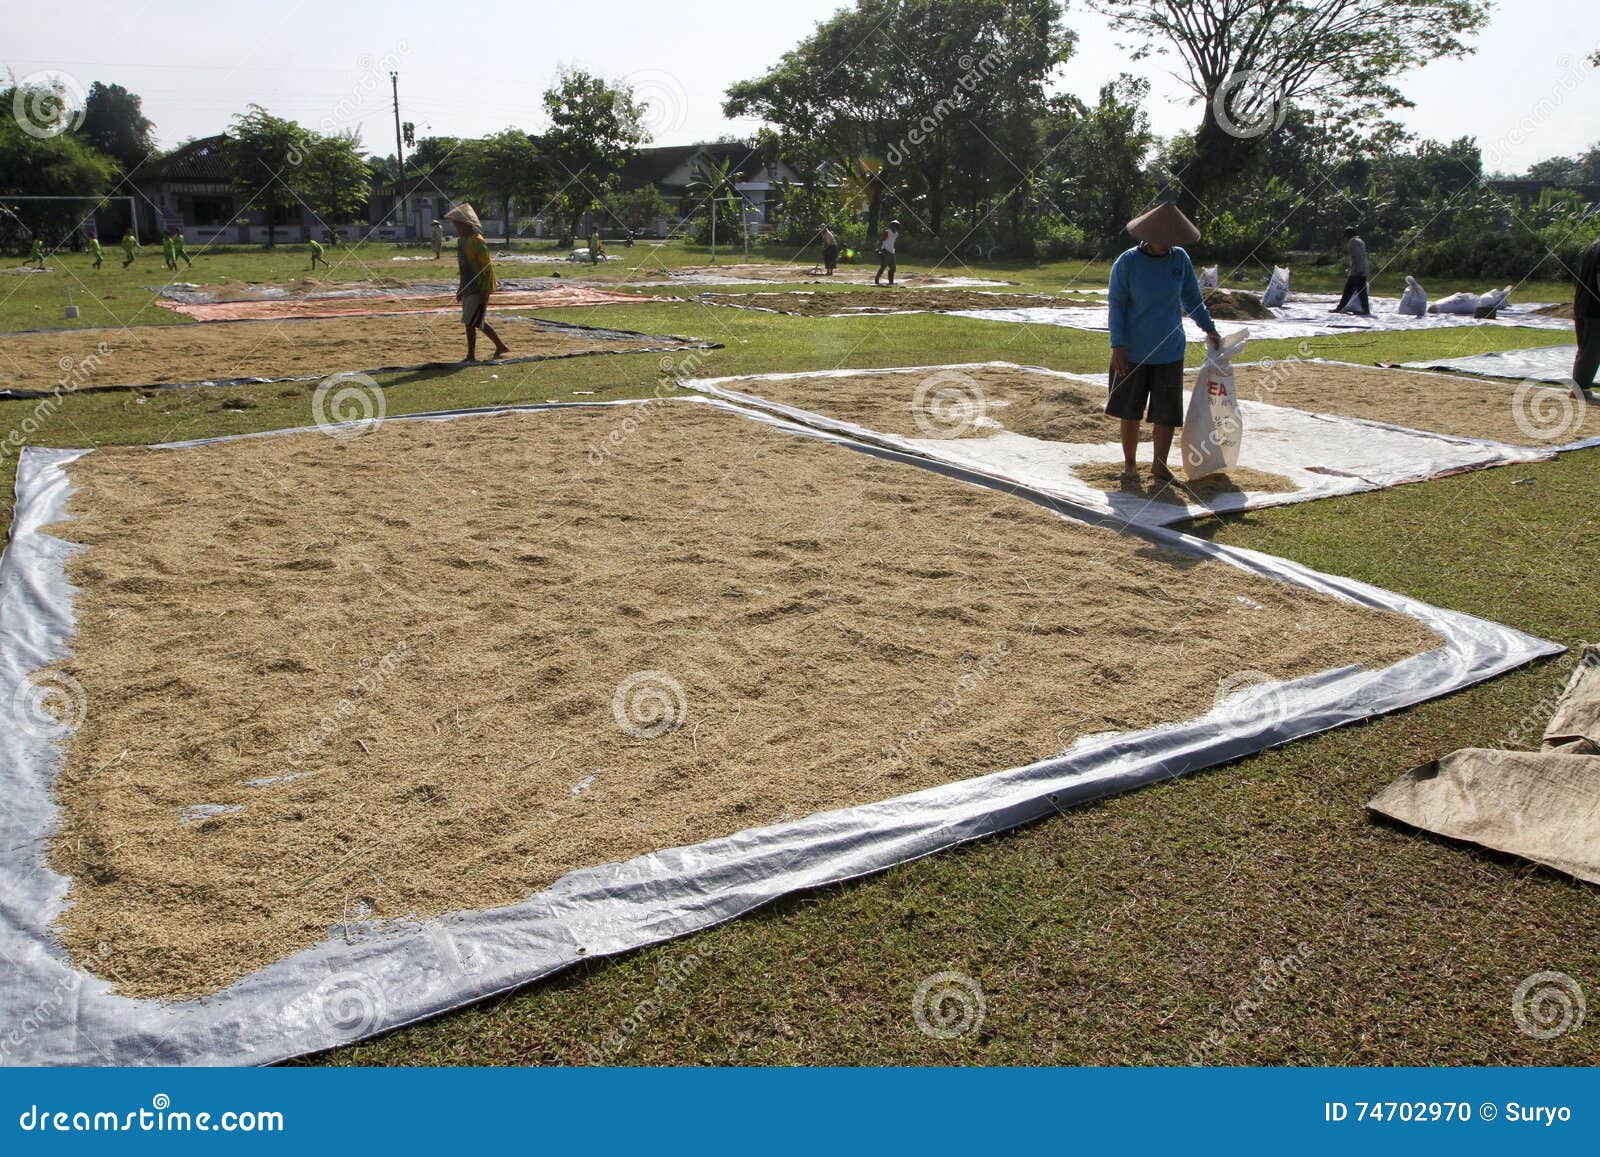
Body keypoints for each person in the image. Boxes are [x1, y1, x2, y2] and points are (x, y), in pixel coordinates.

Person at [1106, 201, 1221, 483]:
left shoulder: (1179, 259)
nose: (1170, 242)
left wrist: (1209, 328)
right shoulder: (1128, 262)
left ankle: (1159, 465)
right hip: (1132, 350)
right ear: (1150, 235)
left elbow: (1192, 299)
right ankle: (1130, 464)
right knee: (1130, 410)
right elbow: (1116, 304)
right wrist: (1117, 344)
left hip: (1169, 351)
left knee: (1166, 413)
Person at [445, 202, 511, 362]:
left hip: (480, 286)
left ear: (466, 224)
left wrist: (484, 291)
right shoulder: (461, 241)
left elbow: (486, 268)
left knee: (470, 321)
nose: (455, 227)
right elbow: (463, 268)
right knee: (476, 320)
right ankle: (500, 346)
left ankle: (471, 355)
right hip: (468, 286)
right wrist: (461, 288)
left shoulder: (477, 240)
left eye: (457, 223)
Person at [1575, 237, 1600, 394]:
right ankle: (1580, 389)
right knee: (1591, 349)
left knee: (1588, 348)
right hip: (1595, 308)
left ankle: (1580, 388)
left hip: (1584, 304)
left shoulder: (1594, 244)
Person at [1332, 226, 1371, 315]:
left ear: (1348, 234)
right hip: (1363, 269)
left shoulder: (1353, 242)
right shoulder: (1360, 241)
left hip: (1357, 271)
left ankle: (1340, 308)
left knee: (1348, 290)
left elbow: (1357, 256)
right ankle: (1366, 310)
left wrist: (1358, 269)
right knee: (1362, 292)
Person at [874, 219, 900, 286]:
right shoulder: (887, 232)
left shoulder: (896, 234)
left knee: (893, 268)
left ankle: (891, 282)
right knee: (883, 266)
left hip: (892, 251)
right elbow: (881, 240)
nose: (896, 228)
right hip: (885, 250)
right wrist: (877, 248)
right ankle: (876, 279)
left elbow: (891, 242)